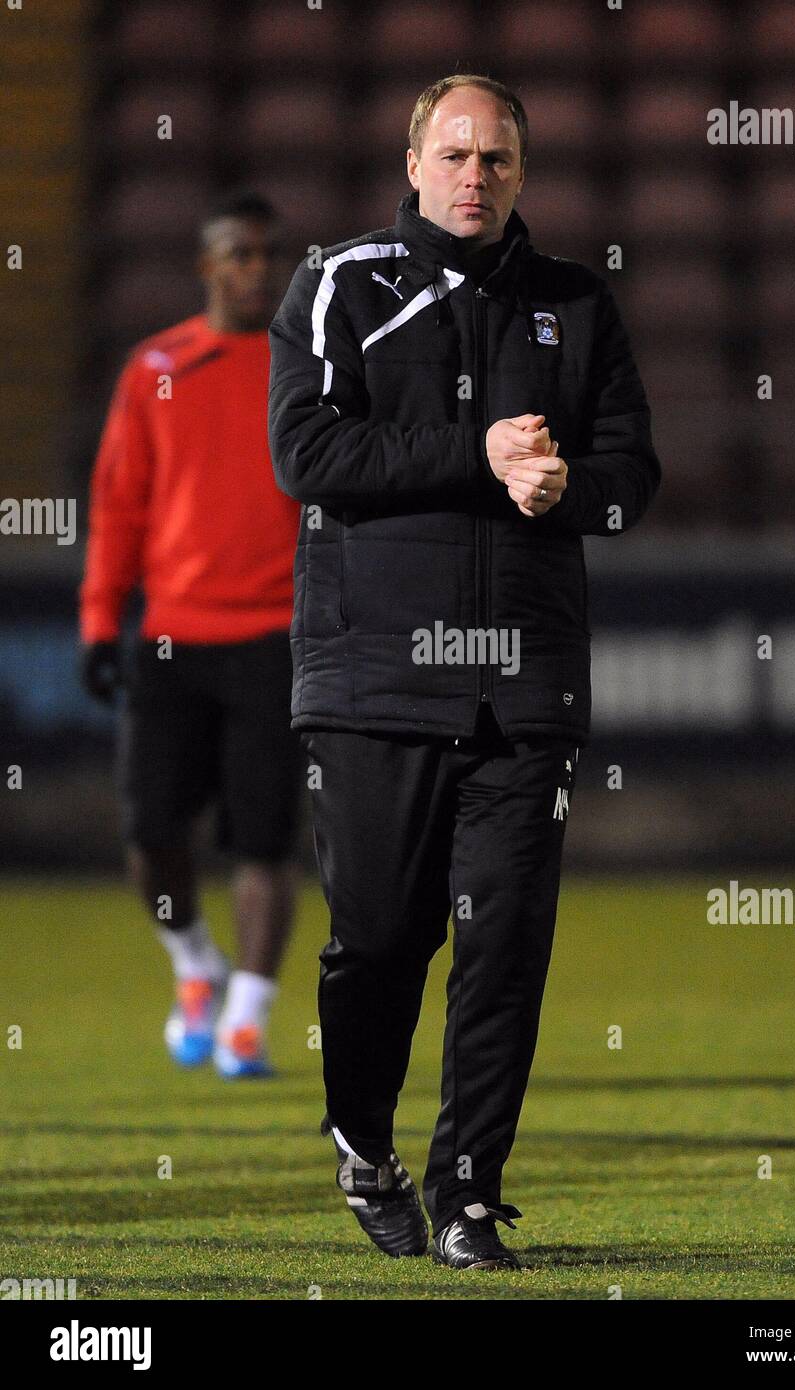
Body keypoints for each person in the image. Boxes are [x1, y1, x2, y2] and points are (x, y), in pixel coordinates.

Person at [269, 75, 661, 1267]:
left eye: (496, 157)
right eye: (455, 153)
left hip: (525, 685)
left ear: (522, 173)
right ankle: (361, 1142)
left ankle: (471, 1192)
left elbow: (630, 467)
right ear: (414, 161)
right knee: (380, 942)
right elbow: (307, 450)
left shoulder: (575, 302)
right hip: (374, 674)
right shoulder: (339, 284)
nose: (474, 174)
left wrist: (570, 490)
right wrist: (477, 456)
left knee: (504, 944)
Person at [79, 193, 303, 1079]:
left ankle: (246, 1016)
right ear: (208, 266)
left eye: (268, 254)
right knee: (150, 833)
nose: (257, 268)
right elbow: (116, 507)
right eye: (240, 254)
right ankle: (194, 965)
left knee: (264, 841)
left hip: (278, 636)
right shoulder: (158, 367)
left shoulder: (309, 366)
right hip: (172, 637)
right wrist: (102, 623)